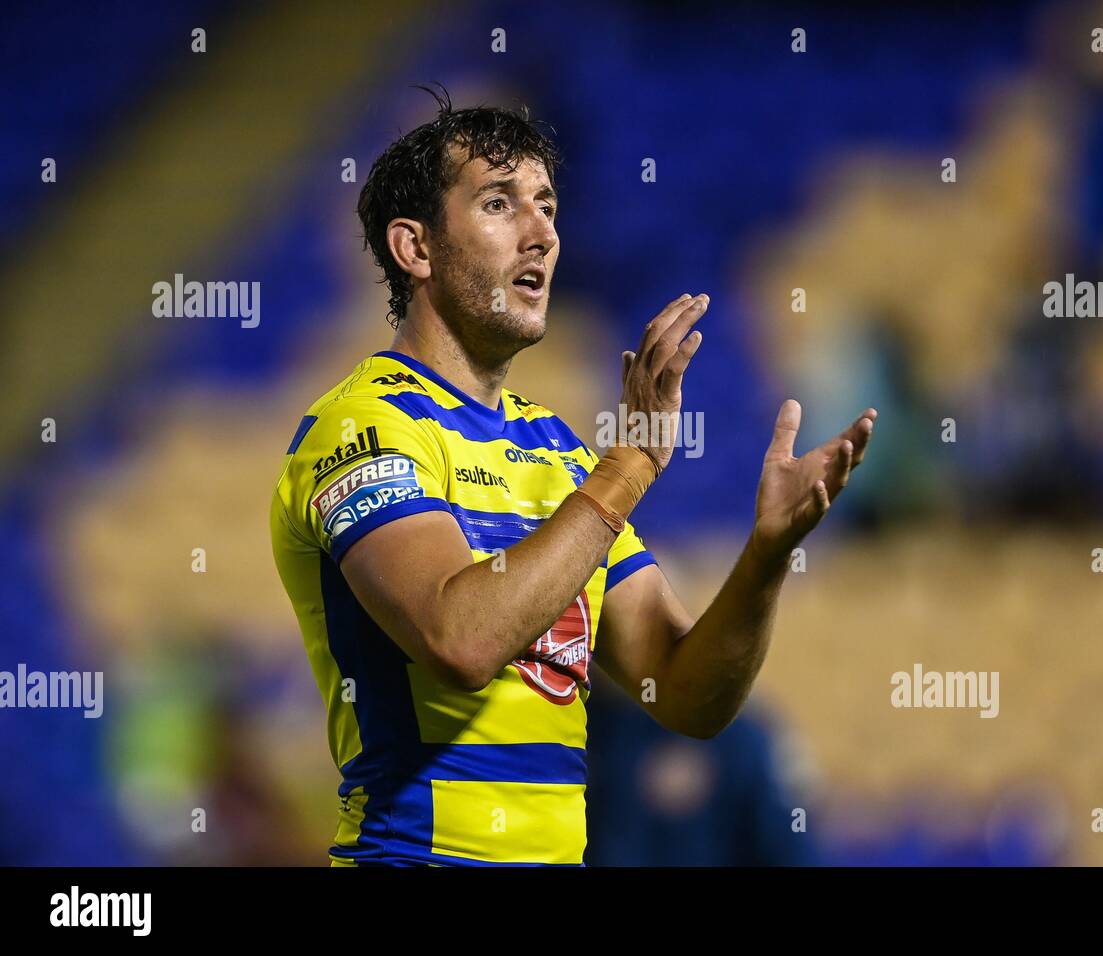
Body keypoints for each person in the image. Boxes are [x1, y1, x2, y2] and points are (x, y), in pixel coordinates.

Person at [269, 91, 877, 865]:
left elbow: (683, 692)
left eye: (548, 207)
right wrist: (627, 468)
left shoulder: (558, 453)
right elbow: (460, 638)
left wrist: (765, 558)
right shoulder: (360, 430)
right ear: (415, 249)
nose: (543, 234)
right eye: (499, 203)